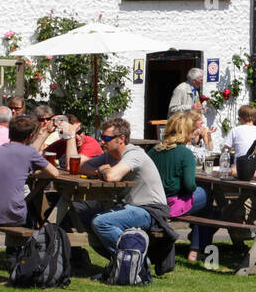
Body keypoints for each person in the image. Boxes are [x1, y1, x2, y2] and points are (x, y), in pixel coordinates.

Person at [81, 118, 173, 259]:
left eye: (106, 138)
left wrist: (105, 170)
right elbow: (83, 166)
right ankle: (121, 265)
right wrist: (100, 171)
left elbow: (112, 176)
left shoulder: (134, 154)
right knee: (84, 214)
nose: (102, 142)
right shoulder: (109, 155)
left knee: (101, 222)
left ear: (121, 139)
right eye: (101, 137)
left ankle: (138, 262)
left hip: (150, 210)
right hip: (129, 207)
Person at [0, 115, 61, 255]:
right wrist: (37, 173)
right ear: (30, 136)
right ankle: (19, 256)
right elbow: (55, 173)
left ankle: (13, 254)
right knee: (34, 217)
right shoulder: (29, 152)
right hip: (13, 216)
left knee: (21, 207)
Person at [149, 112, 211, 261]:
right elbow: (189, 186)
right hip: (172, 204)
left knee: (203, 199)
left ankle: (197, 248)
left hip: (153, 202)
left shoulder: (153, 151)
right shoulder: (185, 153)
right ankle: (198, 248)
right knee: (206, 195)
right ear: (186, 132)